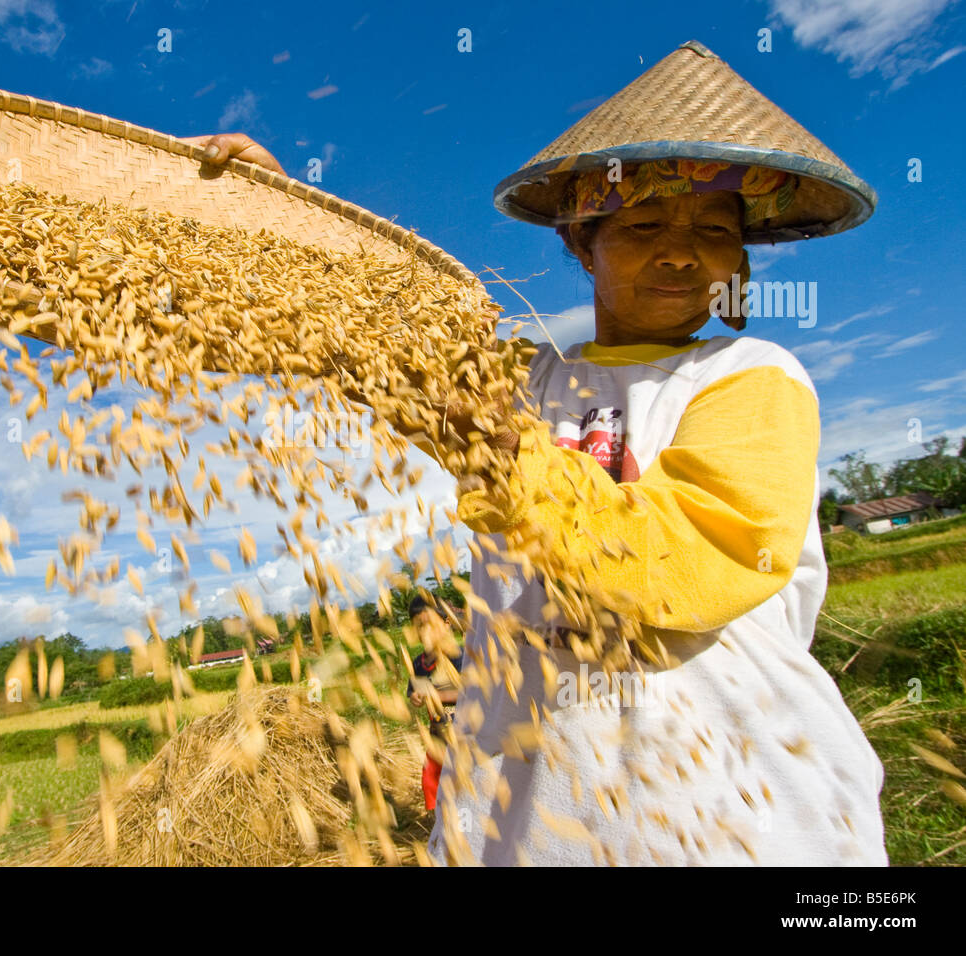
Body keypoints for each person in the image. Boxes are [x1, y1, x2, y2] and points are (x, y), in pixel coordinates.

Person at [190, 40, 886, 866]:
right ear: (581, 244)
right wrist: (275, 213)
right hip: (525, 809)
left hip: (736, 804)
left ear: (739, 261)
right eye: (643, 224)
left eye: (713, 229)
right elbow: (360, 341)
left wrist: (502, 451)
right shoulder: (520, 381)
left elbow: (687, 556)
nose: (680, 250)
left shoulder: (752, 378)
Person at [404, 593, 464, 815]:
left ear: (447, 623)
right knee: (431, 779)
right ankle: (437, 820)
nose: (424, 632)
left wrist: (437, 696)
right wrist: (416, 698)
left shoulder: (459, 656)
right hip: (437, 735)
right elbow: (415, 693)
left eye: (429, 624)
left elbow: (470, 691)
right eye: (418, 627)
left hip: (463, 733)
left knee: (464, 779)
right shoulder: (418, 664)